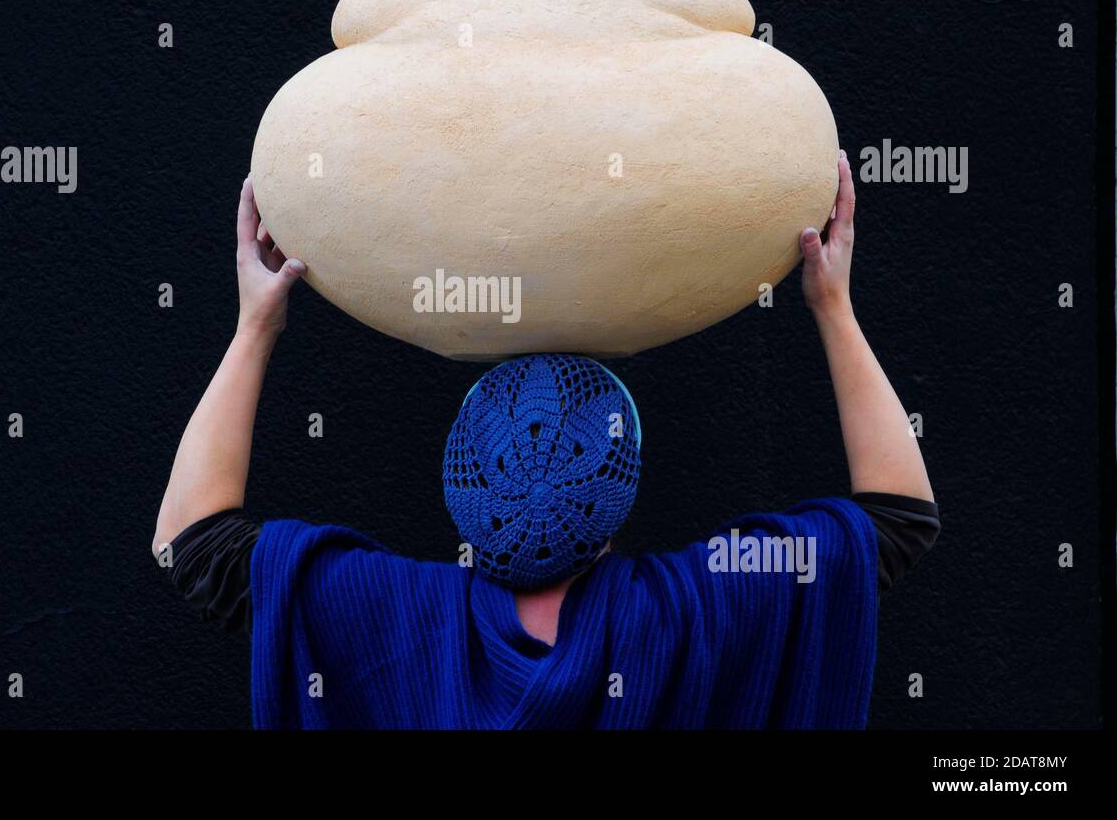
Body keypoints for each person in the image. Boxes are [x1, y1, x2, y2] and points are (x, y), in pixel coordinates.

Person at [152, 151, 939, 729]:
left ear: (465, 483)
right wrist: (831, 304)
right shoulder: (694, 612)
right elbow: (900, 519)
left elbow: (190, 542)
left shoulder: (396, 621)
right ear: (617, 486)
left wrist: (257, 324)